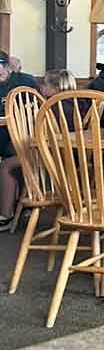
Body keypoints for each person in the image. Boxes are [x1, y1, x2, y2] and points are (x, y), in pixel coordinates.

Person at [0, 54, 39, 230]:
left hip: (26, 136)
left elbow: (38, 110)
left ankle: (6, 214)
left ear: (7, 66)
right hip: (5, 134)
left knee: (9, 162)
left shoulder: (25, 82)